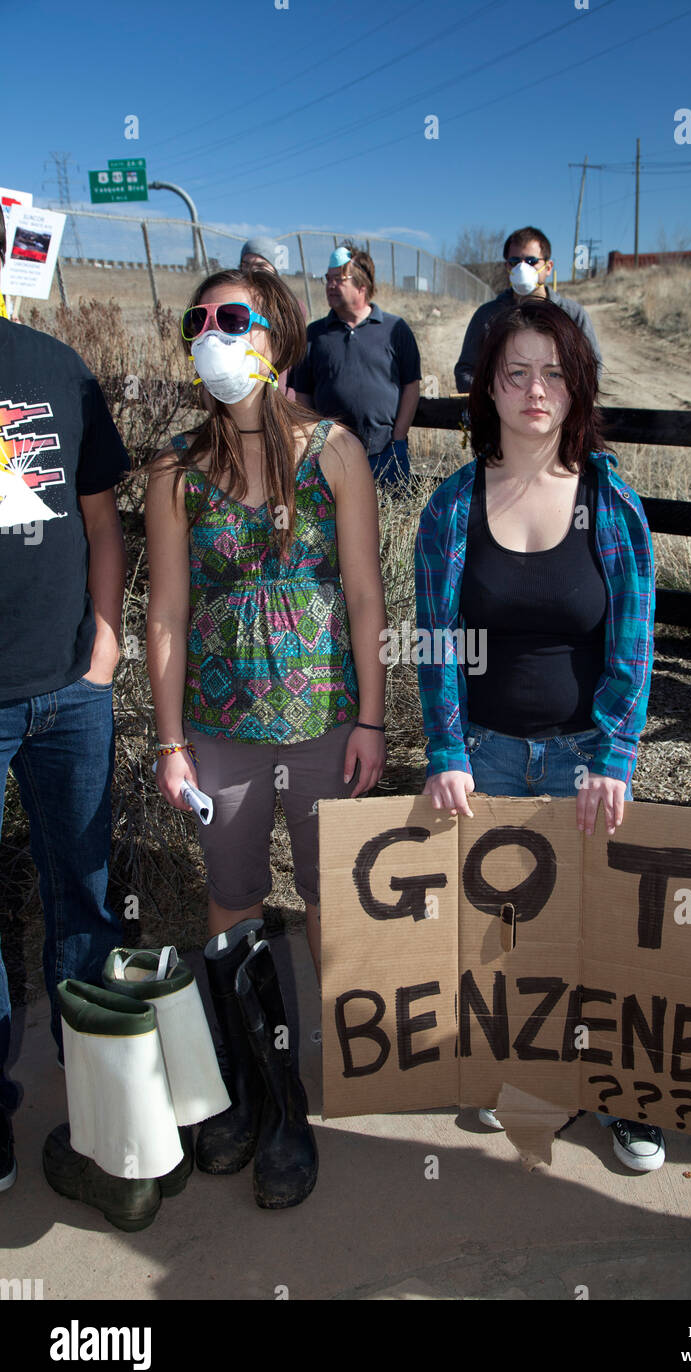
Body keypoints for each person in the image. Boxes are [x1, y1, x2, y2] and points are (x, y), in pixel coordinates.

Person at [415, 296, 661, 1171]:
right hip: (482, 754)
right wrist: (446, 751)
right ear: (486, 387)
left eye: (553, 372)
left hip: (580, 758)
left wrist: (614, 754)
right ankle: (525, 1071)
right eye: (515, 371)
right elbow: (436, 641)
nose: (534, 389)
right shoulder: (451, 506)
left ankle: (628, 1092)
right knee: (504, 934)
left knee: (597, 931)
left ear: (576, 385)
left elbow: (633, 639)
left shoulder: (611, 501)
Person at [146, 266, 387, 969]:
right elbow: (164, 614)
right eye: (198, 323)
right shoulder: (176, 469)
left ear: (276, 337)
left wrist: (371, 721)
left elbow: (367, 597)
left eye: (230, 321)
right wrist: (170, 745)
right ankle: (249, 1066)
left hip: (328, 723)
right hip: (219, 734)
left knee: (332, 896)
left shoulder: (336, 453)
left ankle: (346, 1057)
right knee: (233, 893)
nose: (210, 335)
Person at [0, 213, 128, 1193]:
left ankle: (98, 1103)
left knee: (83, 892)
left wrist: (108, 637)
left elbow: (100, 518)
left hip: (69, 692)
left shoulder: (60, 369)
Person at [293, 244, 421, 487]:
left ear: (362, 285)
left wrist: (398, 438)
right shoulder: (314, 334)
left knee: (387, 521)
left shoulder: (395, 329)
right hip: (330, 454)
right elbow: (303, 394)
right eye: (328, 279)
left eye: (338, 279)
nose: (330, 285)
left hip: (385, 454)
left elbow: (411, 386)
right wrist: (316, 440)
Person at [454, 226, 601, 393]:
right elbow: (466, 370)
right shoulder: (487, 315)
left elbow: (591, 370)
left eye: (531, 261)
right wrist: (492, 399)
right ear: (507, 267)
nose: (522, 268)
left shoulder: (572, 315)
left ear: (548, 267)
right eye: (515, 262)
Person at [238, 236, 300, 400]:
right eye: (245, 265)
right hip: (240, 393)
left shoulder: (291, 307)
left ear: (275, 270)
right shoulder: (232, 305)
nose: (251, 271)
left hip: (279, 394)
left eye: (260, 265)